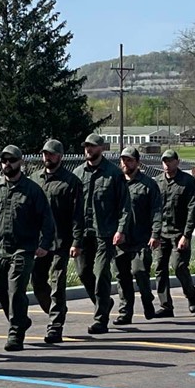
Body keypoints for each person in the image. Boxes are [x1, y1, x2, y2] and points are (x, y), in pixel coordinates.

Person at [0, 145, 54, 350]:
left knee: (16, 290)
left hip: (23, 248)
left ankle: (16, 333)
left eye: (12, 160)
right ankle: (21, 320)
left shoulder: (32, 190)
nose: (7, 164)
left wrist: (44, 244)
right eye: (4, 160)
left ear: (21, 162)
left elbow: (46, 219)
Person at [75, 133, 129, 334]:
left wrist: (120, 230)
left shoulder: (113, 174)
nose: (88, 149)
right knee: (83, 273)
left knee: (100, 274)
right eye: (86, 146)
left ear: (101, 149)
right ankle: (104, 303)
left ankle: (101, 319)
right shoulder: (79, 173)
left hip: (104, 233)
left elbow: (124, 205)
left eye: (92, 146)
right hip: (83, 233)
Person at [31, 139, 83, 344]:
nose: (47, 157)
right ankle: (57, 310)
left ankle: (55, 325)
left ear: (60, 156)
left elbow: (78, 215)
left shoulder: (71, 182)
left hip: (61, 241)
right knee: (37, 282)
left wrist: (76, 241)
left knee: (57, 283)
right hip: (39, 242)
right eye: (45, 154)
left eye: (51, 154)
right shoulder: (35, 179)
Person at [114, 146, 162, 325]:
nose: (126, 163)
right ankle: (125, 312)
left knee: (140, 271)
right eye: (123, 160)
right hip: (121, 239)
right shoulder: (116, 183)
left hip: (141, 238)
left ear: (137, 162)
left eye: (130, 160)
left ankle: (147, 299)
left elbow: (157, 210)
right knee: (122, 275)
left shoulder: (148, 184)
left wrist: (155, 233)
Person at [153, 149, 195, 317]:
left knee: (178, 266)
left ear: (177, 162)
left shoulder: (187, 182)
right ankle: (166, 306)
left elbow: (192, 209)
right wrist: (153, 233)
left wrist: (186, 235)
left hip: (179, 233)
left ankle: (191, 294)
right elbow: (154, 209)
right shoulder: (158, 182)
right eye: (164, 161)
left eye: (170, 161)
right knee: (160, 268)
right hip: (161, 233)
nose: (167, 164)